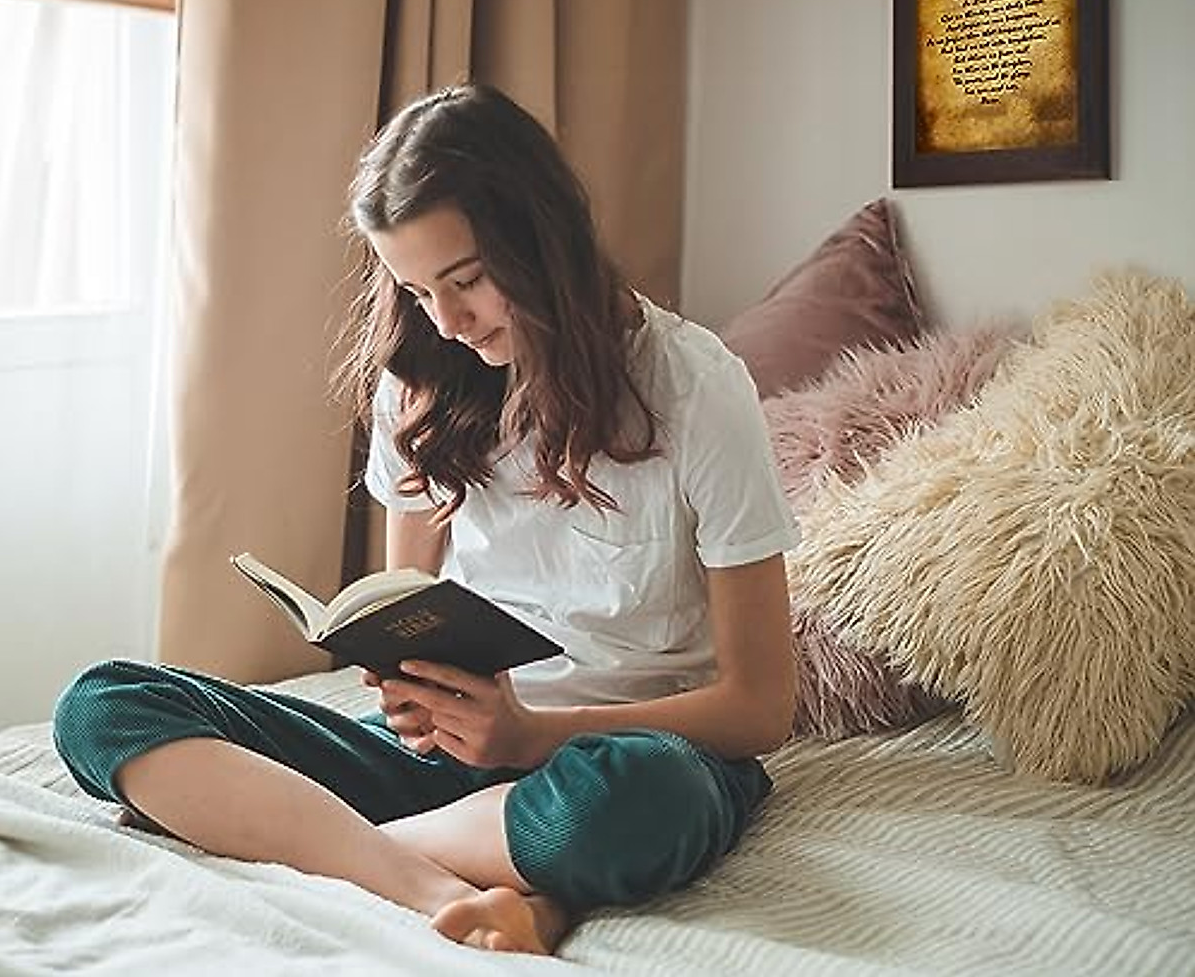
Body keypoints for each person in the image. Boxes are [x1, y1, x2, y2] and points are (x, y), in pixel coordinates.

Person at [52, 84, 799, 955]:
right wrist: (412, 696)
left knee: (641, 802)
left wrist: (531, 734)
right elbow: (404, 609)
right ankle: (438, 885)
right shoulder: (422, 381)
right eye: (416, 293)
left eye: (467, 281)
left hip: (622, 756)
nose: (446, 323)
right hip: (449, 762)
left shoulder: (696, 387)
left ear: (541, 238)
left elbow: (760, 708)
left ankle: (307, 841)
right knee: (104, 705)